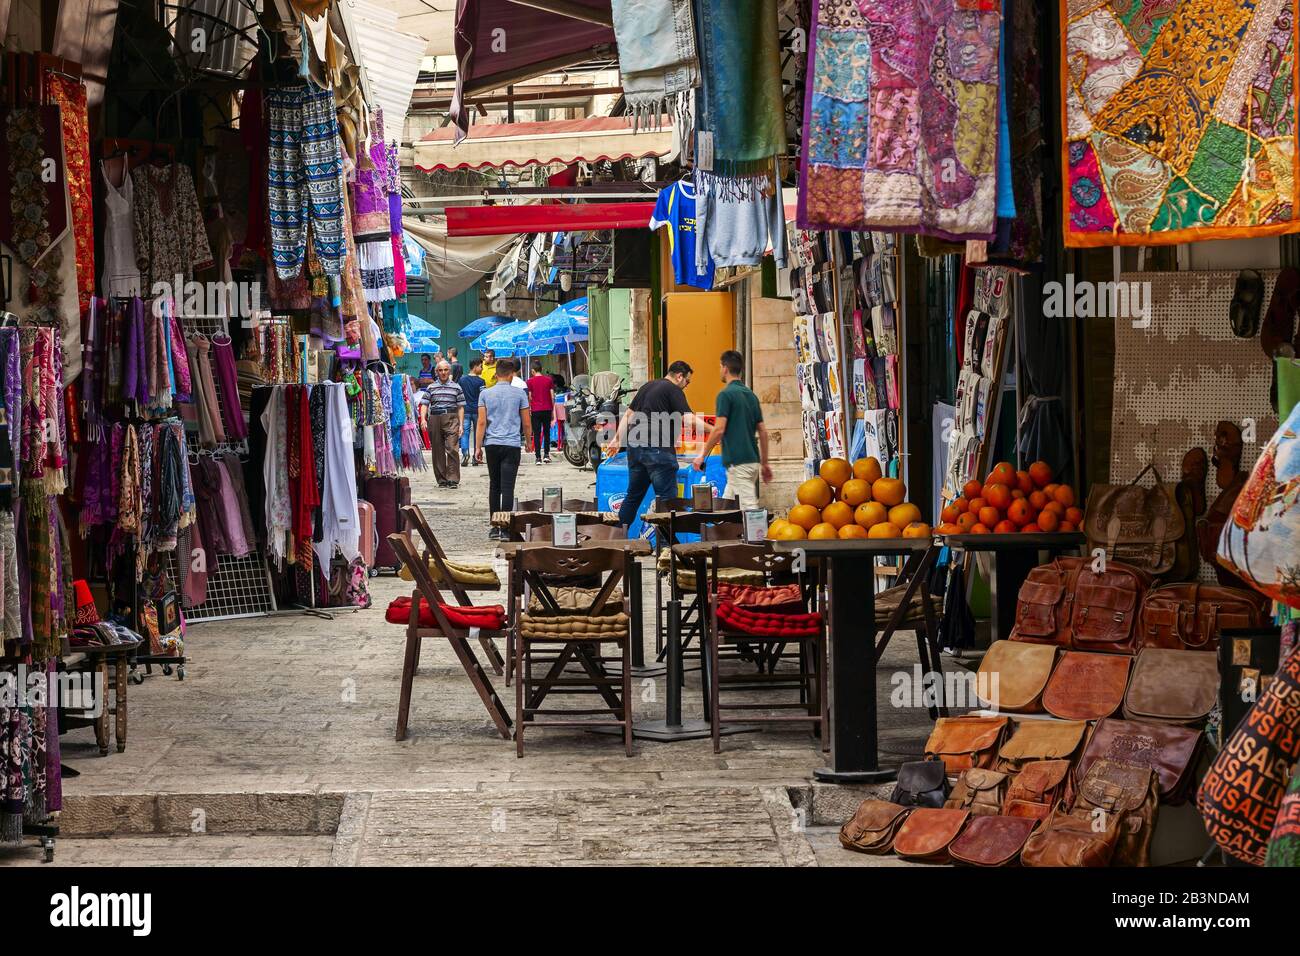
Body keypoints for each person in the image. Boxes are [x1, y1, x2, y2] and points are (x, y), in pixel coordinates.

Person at [609, 361, 698, 528]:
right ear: (679, 376)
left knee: (633, 496)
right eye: (687, 381)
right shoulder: (673, 389)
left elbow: (628, 415)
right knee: (668, 501)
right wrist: (715, 430)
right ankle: (665, 547)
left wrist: (617, 439)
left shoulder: (647, 386)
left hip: (635, 448)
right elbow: (688, 418)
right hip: (657, 449)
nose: (686, 385)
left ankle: (618, 538)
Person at [693, 350, 771, 509]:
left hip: (738, 462)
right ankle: (724, 533)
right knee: (727, 507)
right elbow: (762, 431)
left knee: (749, 509)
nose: (720, 370)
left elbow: (719, 429)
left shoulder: (726, 395)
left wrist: (701, 455)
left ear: (725, 368)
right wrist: (764, 463)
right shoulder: (750, 395)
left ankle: (758, 534)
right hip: (751, 461)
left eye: (720, 366)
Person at [476, 358, 531, 540]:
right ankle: (505, 529)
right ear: (512, 374)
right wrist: (529, 441)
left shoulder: (485, 394)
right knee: (508, 488)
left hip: (492, 444)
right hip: (512, 444)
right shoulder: (520, 394)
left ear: (496, 374)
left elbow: (482, 422)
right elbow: (526, 422)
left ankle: (494, 527)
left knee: (494, 486)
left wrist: (478, 446)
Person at [422, 360, 465, 488]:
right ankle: (442, 479)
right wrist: (423, 419)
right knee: (437, 449)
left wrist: (461, 424)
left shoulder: (456, 387)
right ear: (437, 372)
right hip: (435, 417)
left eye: (446, 370)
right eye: (440, 370)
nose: (443, 372)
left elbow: (461, 407)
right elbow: (425, 403)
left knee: (452, 448)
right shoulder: (431, 387)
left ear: (449, 371)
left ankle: (452, 479)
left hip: (451, 417)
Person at [458, 358, 486, 466]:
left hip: (464, 410)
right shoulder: (481, 381)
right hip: (477, 410)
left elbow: (459, 395)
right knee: (477, 433)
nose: (482, 368)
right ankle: (475, 456)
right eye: (481, 366)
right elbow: (483, 397)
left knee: (464, 432)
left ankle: (465, 454)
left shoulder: (462, 380)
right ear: (475, 366)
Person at [526, 360, 555, 463]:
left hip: (535, 410)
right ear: (541, 369)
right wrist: (552, 410)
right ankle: (546, 455)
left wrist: (530, 408)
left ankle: (538, 458)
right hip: (547, 409)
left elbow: (529, 397)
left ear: (533, 371)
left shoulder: (529, 381)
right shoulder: (549, 380)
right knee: (547, 433)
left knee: (537, 434)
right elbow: (552, 396)